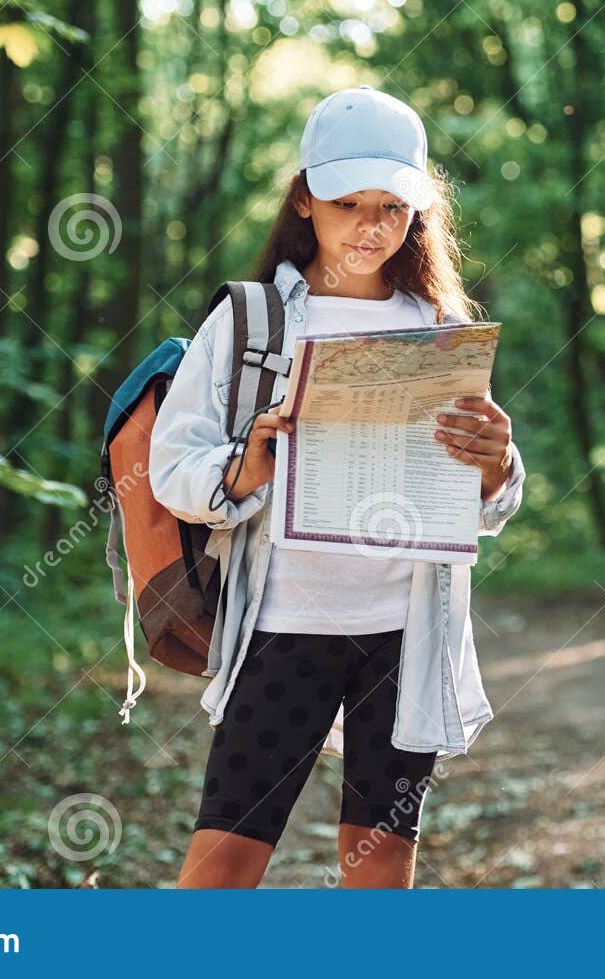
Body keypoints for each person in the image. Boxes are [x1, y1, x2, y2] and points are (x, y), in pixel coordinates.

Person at [148, 86, 525, 888]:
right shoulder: (251, 324)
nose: (370, 225)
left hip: (405, 631)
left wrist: (496, 463)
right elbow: (172, 469)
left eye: (392, 205)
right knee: (224, 863)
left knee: (382, 863)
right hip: (284, 625)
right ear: (303, 198)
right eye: (347, 201)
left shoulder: (436, 324)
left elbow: (486, 502)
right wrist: (247, 464)